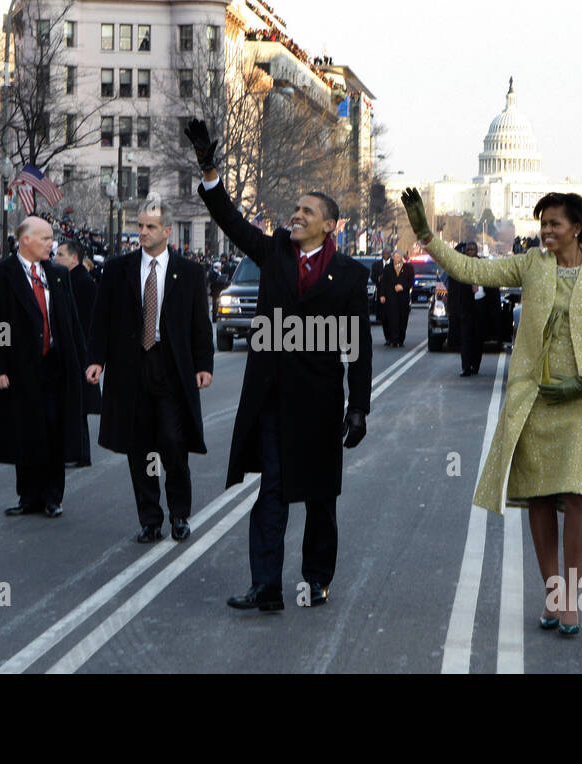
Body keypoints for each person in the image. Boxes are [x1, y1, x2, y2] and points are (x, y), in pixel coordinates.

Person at [402, 187, 582, 635]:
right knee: (541, 495)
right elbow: (472, 269)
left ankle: (571, 594)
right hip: (537, 400)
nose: (545, 231)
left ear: (576, 228)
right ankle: (553, 593)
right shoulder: (531, 265)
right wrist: (427, 236)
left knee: (580, 495)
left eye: (554, 224)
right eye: (542, 223)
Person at [187, 118, 372, 611]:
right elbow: (228, 218)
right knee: (271, 491)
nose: (296, 215)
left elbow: (358, 347)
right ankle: (265, 586)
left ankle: (315, 578)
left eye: (307, 212)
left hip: (319, 403)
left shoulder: (350, 276)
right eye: (295, 209)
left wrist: (359, 409)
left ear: (329, 224)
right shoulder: (272, 253)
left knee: (318, 498)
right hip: (271, 398)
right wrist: (209, 168)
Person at [87, 201, 214, 542]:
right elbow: (102, 319)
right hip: (131, 368)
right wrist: (95, 359)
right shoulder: (118, 269)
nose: (142, 232)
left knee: (173, 442)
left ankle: (180, 514)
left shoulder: (188, 273)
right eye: (140, 226)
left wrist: (204, 364)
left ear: (167, 231)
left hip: (171, 368)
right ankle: (150, 519)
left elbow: (199, 324)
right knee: (139, 445)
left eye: (150, 227)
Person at [0, 216, 92, 519]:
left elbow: (69, 321)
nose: (50, 244)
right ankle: (28, 496)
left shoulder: (57, 275)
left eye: (51, 239)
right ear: (25, 239)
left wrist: (83, 360)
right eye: (45, 238)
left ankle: (53, 497)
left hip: (55, 365)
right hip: (20, 368)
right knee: (25, 431)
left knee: (56, 430)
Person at [54, 240, 102, 470]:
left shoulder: (82, 284)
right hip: (75, 353)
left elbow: (90, 324)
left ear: (74, 259)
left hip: (79, 354)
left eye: (61, 254)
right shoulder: (72, 281)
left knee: (77, 406)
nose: (56, 258)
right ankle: (78, 452)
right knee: (75, 406)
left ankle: (80, 453)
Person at [446, 241, 497, 376]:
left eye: (472, 249)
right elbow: (454, 288)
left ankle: (476, 365)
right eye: (468, 250)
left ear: (477, 251)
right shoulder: (461, 265)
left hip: (480, 305)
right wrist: (451, 308)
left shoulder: (484, 265)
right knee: (465, 337)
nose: (470, 252)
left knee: (478, 338)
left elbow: (492, 284)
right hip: (465, 306)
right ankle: (466, 367)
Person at [379, 251, 414, 347]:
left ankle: (400, 339)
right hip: (391, 297)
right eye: (394, 257)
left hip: (403, 298)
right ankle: (393, 339)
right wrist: (382, 295)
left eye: (398, 257)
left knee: (403, 318)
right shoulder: (388, 268)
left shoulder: (408, 268)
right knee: (392, 318)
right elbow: (383, 283)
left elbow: (411, 281)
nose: (396, 259)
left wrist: (403, 286)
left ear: (401, 257)